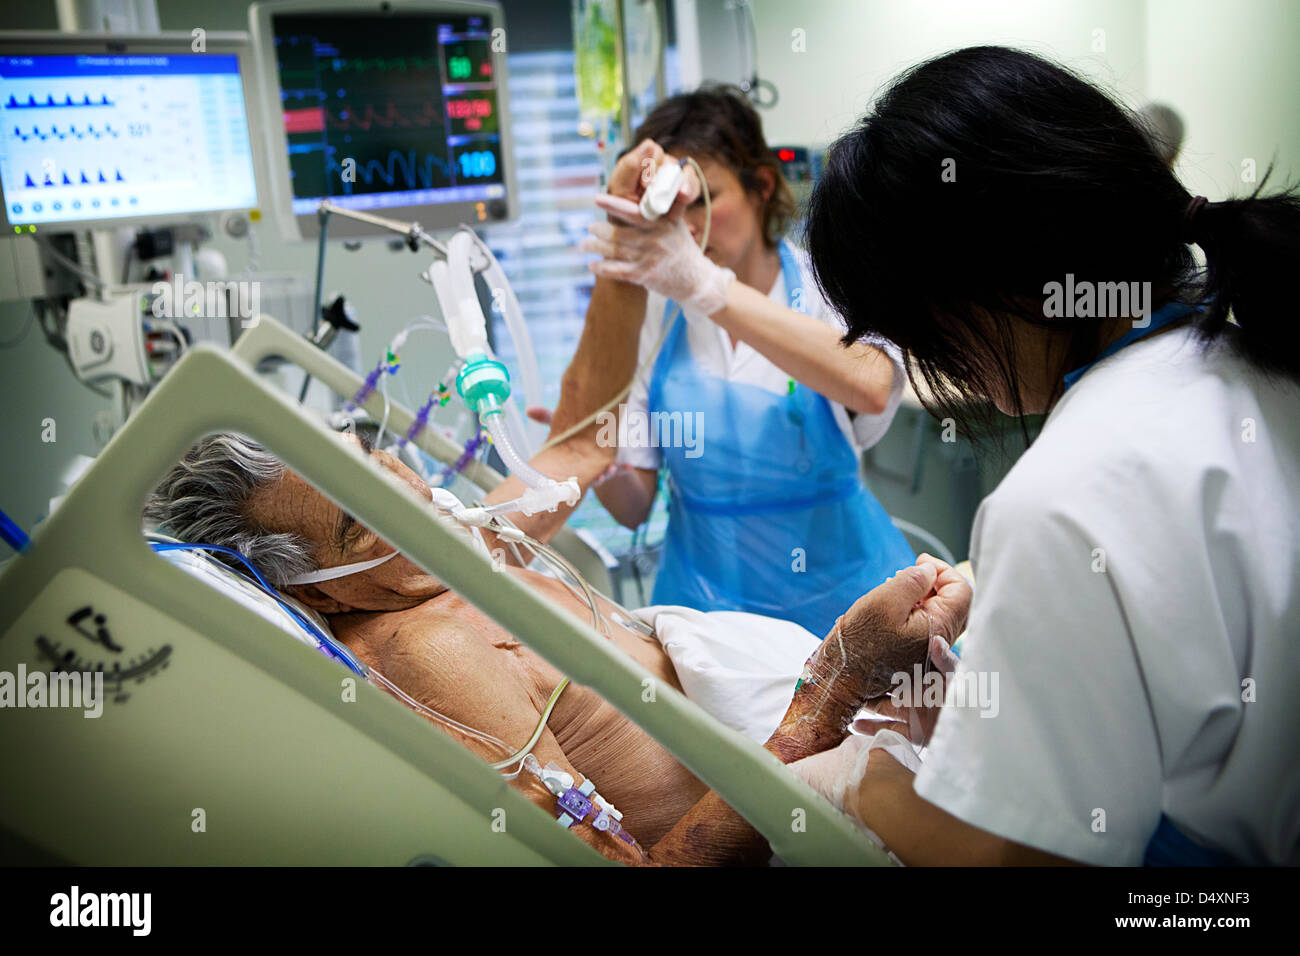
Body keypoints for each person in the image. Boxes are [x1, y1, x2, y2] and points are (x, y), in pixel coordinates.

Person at [793, 46, 1300, 866]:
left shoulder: (1062, 495)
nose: (939, 357)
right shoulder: (1258, 364)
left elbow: (1023, 859)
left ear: (974, 286)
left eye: (915, 324)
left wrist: (858, 777)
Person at [145, 428, 968, 866]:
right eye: (364, 517)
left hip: (834, 732)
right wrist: (829, 694)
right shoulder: (429, 649)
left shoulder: (451, 559)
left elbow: (583, 437)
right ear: (320, 588)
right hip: (807, 807)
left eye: (373, 459)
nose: (412, 494)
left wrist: (644, 262)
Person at [577, 85, 914, 637]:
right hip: (708, 617)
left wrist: (709, 288)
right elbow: (633, 508)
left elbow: (873, 385)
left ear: (761, 186)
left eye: (705, 199)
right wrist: (601, 462)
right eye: (671, 208)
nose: (687, 226)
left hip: (841, 608)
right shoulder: (656, 321)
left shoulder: (829, 283)